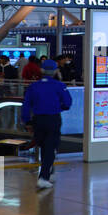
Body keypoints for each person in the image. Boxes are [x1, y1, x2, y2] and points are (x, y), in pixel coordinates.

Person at [22, 59, 73, 191]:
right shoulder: (59, 85)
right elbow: (67, 103)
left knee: (44, 146)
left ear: (41, 70)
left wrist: (27, 121)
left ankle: (47, 172)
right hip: (53, 119)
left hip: (38, 119)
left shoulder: (33, 86)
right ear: (56, 71)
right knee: (51, 147)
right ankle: (44, 177)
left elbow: (26, 105)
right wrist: (59, 107)